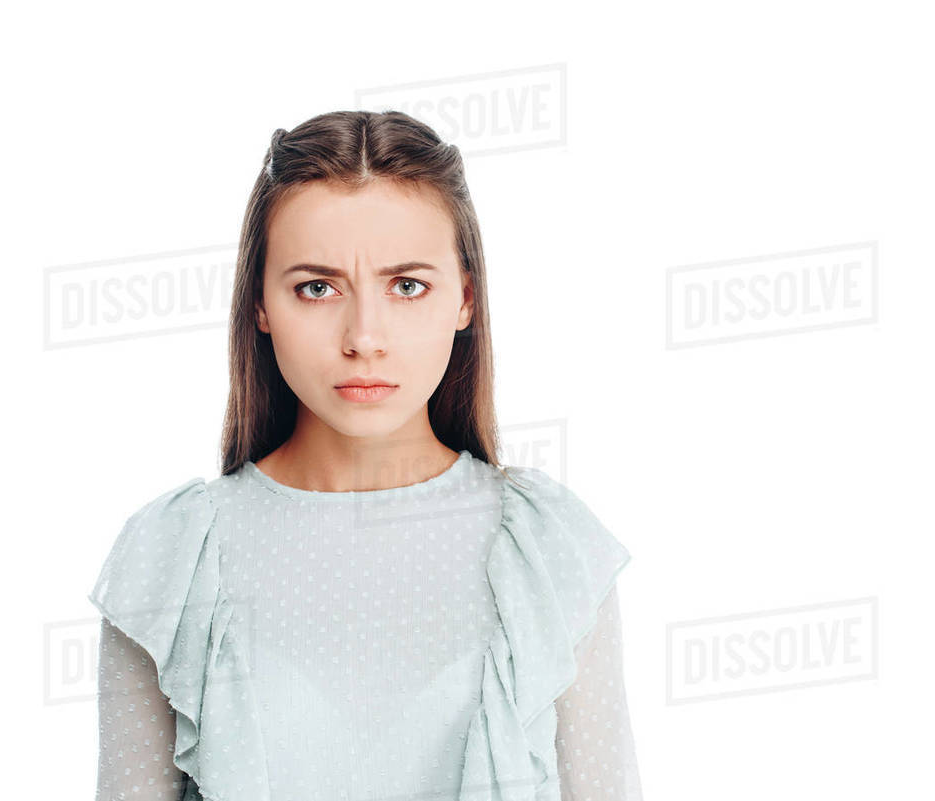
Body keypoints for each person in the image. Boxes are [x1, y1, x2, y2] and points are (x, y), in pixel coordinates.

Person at [87, 110, 644, 801]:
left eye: (407, 285)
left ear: (465, 296)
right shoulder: (170, 558)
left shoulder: (551, 548)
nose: (364, 337)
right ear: (260, 301)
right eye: (316, 287)